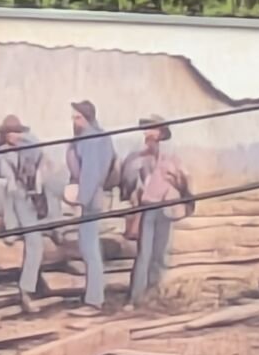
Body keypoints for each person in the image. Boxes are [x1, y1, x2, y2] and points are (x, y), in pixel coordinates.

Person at [0, 114, 57, 315]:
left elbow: (42, 168)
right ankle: (12, 227)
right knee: (31, 235)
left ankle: (27, 289)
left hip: (24, 199)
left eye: (17, 132)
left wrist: (37, 179)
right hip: (5, 199)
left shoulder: (28, 151)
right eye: (10, 132)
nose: (14, 136)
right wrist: (8, 184)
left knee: (35, 242)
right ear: (3, 134)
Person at [126, 115, 190, 307]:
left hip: (166, 208)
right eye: (146, 129)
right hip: (148, 207)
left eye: (150, 129)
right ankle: (136, 298)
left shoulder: (172, 155)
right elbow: (130, 179)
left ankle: (152, 295)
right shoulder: (139, 155)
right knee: (144, 254)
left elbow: (183, 178)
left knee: (159, 254)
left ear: (160, 132)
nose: (146, 132)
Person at [65, 100, 117, 316]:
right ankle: (92, 295)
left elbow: (91, 173)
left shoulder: (91, 139)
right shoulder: (96, 138)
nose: (74, 121)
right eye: (73, 117)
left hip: (90, 200)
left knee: (89, 248)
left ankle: (94, 300)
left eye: (77, 117)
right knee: (89, 246)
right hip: (91, 198)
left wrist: (80, 199)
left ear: (86, 118)